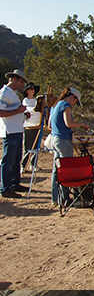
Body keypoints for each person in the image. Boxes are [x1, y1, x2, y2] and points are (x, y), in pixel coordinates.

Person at [48, 86, 89, 207]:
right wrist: (81, 124)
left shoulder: (55, 106)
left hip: (55, 139)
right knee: (66, 170)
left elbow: (50, 124)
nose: (75, 104)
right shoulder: (66, 106)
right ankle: (65, 198)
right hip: (63, 141)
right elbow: (68, 123)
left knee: (57, 170)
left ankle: (55, 197)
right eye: (76, 101)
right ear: (72, 97)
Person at [0, 68, 31, 198]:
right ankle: (5, 188)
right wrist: (18, 112)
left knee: (16, 158)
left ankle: (14, 183)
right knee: (9, 160)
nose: (22, 85)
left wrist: (23, 115)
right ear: (14, 79)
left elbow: (13, 110)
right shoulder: (4, 93)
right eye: (21, 82)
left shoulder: (12, 93)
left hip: (17, 130)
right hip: (10, 131)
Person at [21, 82, 43, 165]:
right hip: (29, 126)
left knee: (36, 147)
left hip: (37, 125)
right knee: (27, 147)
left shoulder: (36, 100)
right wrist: (36, 108)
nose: (33, 90)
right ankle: (24, 164)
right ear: (27, 91)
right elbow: (29, 110)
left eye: (33, 89)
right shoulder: (25, 100)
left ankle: (33, 164)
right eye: (31, 89)